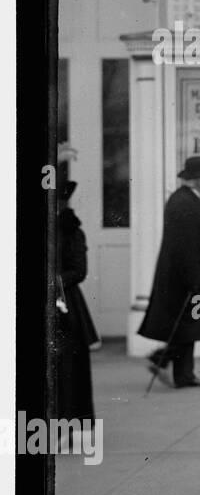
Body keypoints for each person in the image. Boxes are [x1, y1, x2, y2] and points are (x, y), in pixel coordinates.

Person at [139, 155, 200, 388]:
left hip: (191, 279)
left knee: (192, 324)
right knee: (192, 323)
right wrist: (195, 278)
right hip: (190, 281)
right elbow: (185, 247)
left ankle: (180, 371)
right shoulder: (184, 203)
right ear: (196, 180)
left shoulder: (186, 200)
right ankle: (169, 365)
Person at [53, 177, 99, 424]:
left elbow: (79, 270)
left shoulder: (72, 231)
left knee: (69, 367)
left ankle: (70, 423)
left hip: (65, 305)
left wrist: (55, 281)